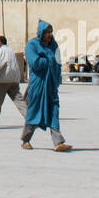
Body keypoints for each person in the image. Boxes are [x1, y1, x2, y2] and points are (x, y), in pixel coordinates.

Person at [22, 20, 71, 152]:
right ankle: (25, 139)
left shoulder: (53, 45)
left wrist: (56, 79)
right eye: (47, 32)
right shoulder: (32, 45)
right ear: (41, 33)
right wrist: (49, 60)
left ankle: (58, 142)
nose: (50, 35)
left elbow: (58, 62)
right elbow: (35, 62)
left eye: (51, 32)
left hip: (51, 84)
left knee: (54, 110)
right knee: (35, 110)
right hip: (38, 84)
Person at [0, 35, 27, 126]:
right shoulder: (11, 50)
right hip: (14, 79)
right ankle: (30, 117)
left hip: (4, 79)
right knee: (18, 99)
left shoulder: (1, 51)